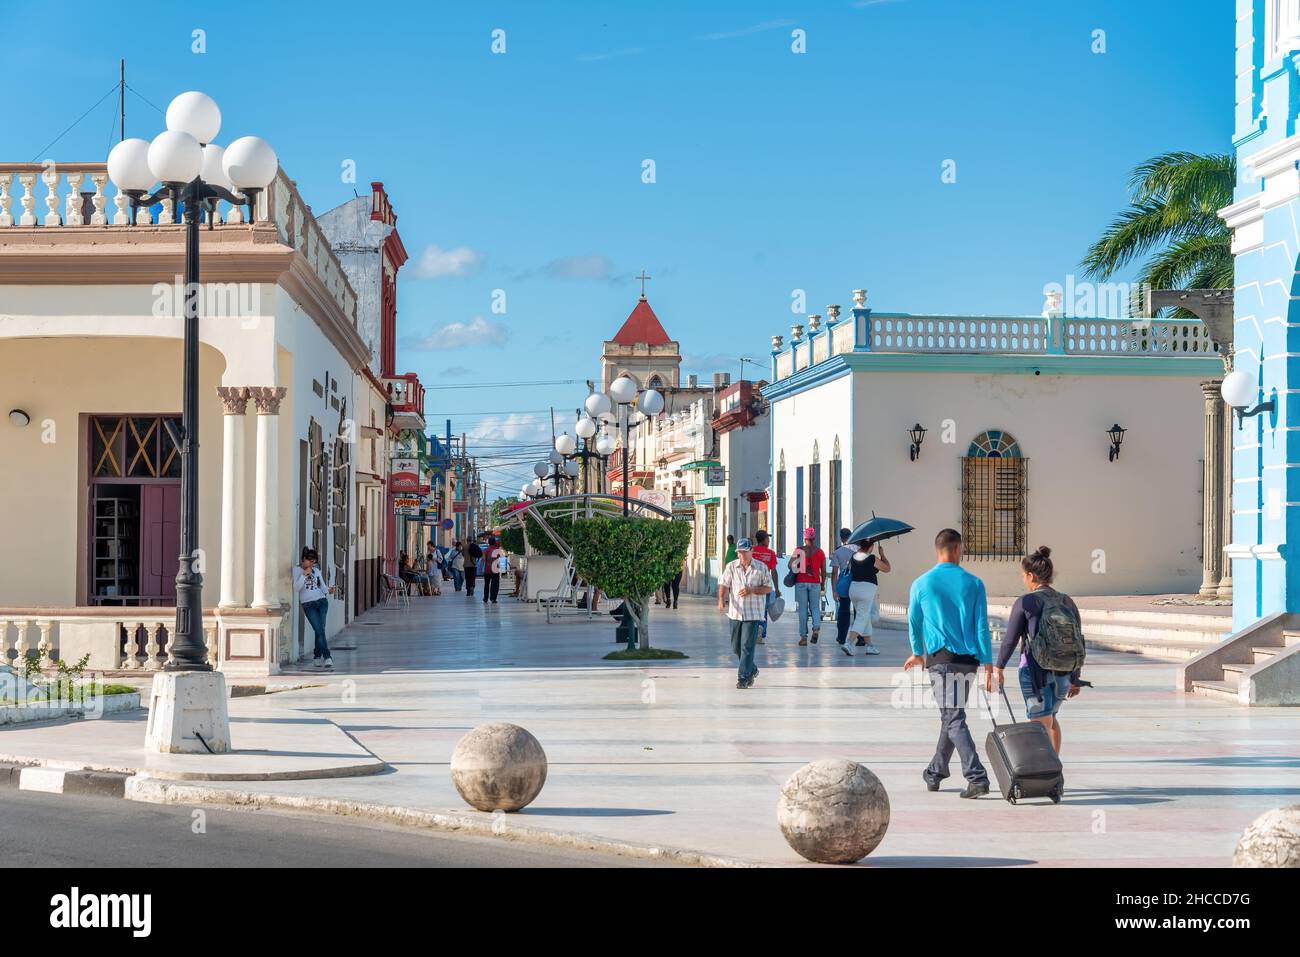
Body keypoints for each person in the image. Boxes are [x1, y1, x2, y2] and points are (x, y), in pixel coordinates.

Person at [903, 528, 993, 799]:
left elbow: (914, 622)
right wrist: (988, 663)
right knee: (951, 717)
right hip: (969, 661)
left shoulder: (922, 583)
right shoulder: (975, 583)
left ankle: (977, 777)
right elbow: (981, 627)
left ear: (937, 549)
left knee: (952, 717)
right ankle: (935, 772)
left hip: (941, 660)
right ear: (958, 549)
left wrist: (917, 652)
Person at [989, 546, 1086, 753]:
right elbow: (1078, 640)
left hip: (1035, 672)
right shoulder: (1067, 601)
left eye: (1024, 576)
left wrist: (999, 668)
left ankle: (1045, 774)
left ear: (1031, 576)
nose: (1023, 579)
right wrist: (1076, 676)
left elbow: (1010, 639)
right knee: (1050, 719)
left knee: (1039, 725)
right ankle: (1054, 769)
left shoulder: (1026, 601)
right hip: (1065, 673)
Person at [717, 538, 773, 689]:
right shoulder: (731, 567)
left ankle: (743, 678)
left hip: (753, 614)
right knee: (736, 647)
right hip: (735, 613)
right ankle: (752, 669)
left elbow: (768, 588)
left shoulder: (761, 568)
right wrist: (721, 599)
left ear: (751, 551)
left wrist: (752, 590)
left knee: (747, 646)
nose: (741, 555)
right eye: (739, 552)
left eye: (744, 552)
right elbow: (723, 584)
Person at [840, 541, 890, 656]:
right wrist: (882, 555)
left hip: (853, 589)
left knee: (864, 616)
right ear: (871, 547)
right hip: (866, 590)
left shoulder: (853, 557)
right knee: (862, 617)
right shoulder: (872, 558)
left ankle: (870, 646)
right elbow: (887, 568)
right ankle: (849, 643)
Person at [294, 547, 335, 670]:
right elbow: (296, 588)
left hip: (321, 602)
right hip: (308, 604)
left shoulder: (316, 571)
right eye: (310, 561)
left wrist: (329, 590)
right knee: (319, 629)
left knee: (320, 630)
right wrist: (303, 575)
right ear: (303, 559)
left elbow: (322, 586)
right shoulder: (296, 570)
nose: (312, 564)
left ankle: (317, 656)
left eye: (314, 562)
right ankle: (327, 656)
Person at [788, 527, 826, 646]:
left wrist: (799, 564)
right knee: (815, 607)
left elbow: (790, 565)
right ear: (814, 538)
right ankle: (816, 628)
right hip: (815, 583)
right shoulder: (820, 552)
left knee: (803, 609)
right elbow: (823, 571)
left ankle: (803, 638)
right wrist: (823, 584)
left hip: (801, 582)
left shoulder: (799, 550)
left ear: (805, 538)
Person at [751, 529, 779, 644]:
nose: (769, 540)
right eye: (767, 538)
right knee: (763, 609)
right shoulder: (771, 553)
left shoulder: (751, 551)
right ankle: (761, 631)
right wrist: (777, 588)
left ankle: (753, 632)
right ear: (763, 541)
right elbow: (774, 572)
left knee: (752, 608)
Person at [830, 527, 856, 648]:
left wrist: (834, 590)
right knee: (859, 612)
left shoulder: (838, 552)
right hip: (857, 582)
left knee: (844, 611)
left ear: (841, 538)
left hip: (844, 584)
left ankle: (841, 636)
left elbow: (835, 572)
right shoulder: (859, 550)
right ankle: (860, 638)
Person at [481, 535, 502, 605]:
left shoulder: (485, 550)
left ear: (489, 542)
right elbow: (499, 559)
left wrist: (481, 569)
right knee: (495, 584)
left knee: (486, 584)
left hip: (487, 569)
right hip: (495, 570)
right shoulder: (497, 550)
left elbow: (483, 560)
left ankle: (485, 598)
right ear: (494, 542)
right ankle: (493, 598)